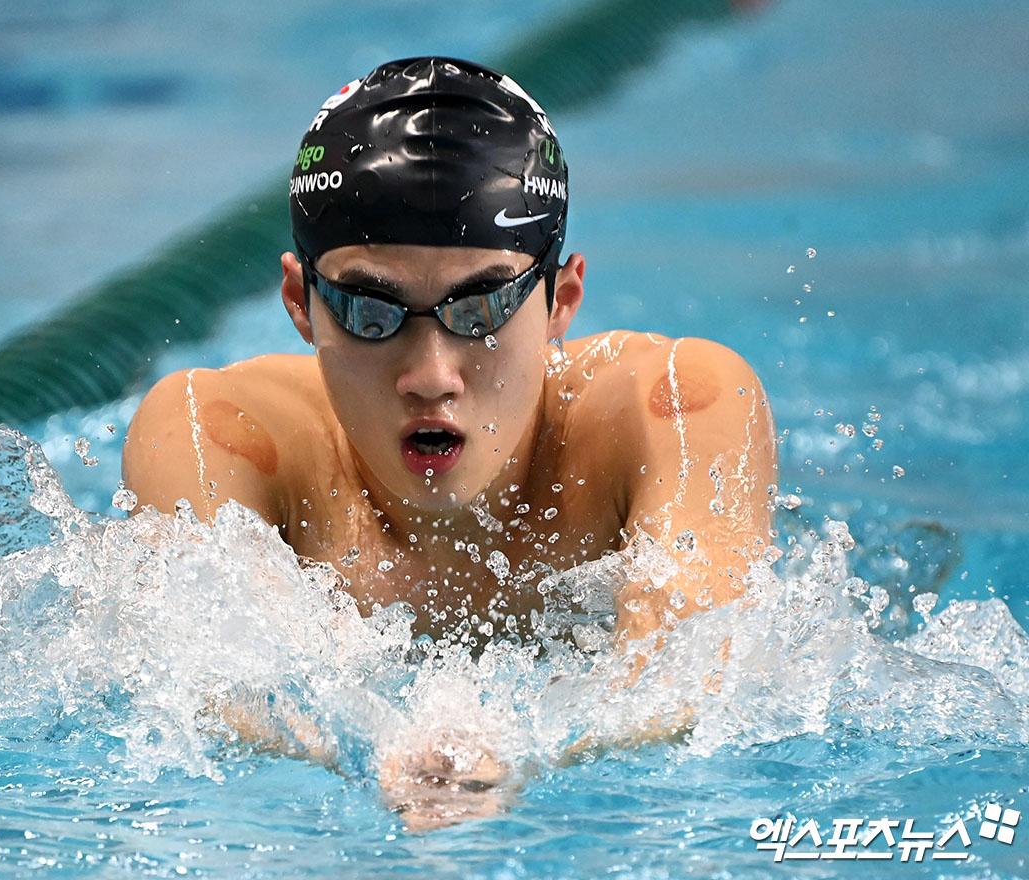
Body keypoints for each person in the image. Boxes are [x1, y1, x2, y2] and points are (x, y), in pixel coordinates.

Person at [123, 56, 777, 825]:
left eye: (483, 310)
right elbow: (206, 682)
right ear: (301, 304)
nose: (431, 377)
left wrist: (520, 746)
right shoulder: (217, 435)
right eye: (372, 311)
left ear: (561, 299)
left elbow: (697, 662)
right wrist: (373, 748)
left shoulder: (675, 402)